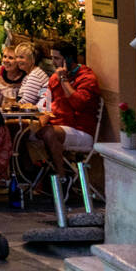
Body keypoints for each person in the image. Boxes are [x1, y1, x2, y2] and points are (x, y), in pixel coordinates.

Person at [38, 40, 101, 175]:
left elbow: (78, 104)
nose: (53, 62)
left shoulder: (87, 77)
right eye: (52, 58)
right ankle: (33, 178)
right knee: (21, 131)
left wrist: (64, 80)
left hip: (80, 129)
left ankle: (61, 176)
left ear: (68, 59)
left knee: (49, 133)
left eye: (57, 58)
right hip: (57, 125)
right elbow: (47, 106)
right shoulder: (54, 79)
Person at [15, 40, 51, 106]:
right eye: (17, 57)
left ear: (32, 59)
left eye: (21, 57)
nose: (17, 60)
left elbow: (26, 103)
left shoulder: (35, 75)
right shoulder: (29, 75)